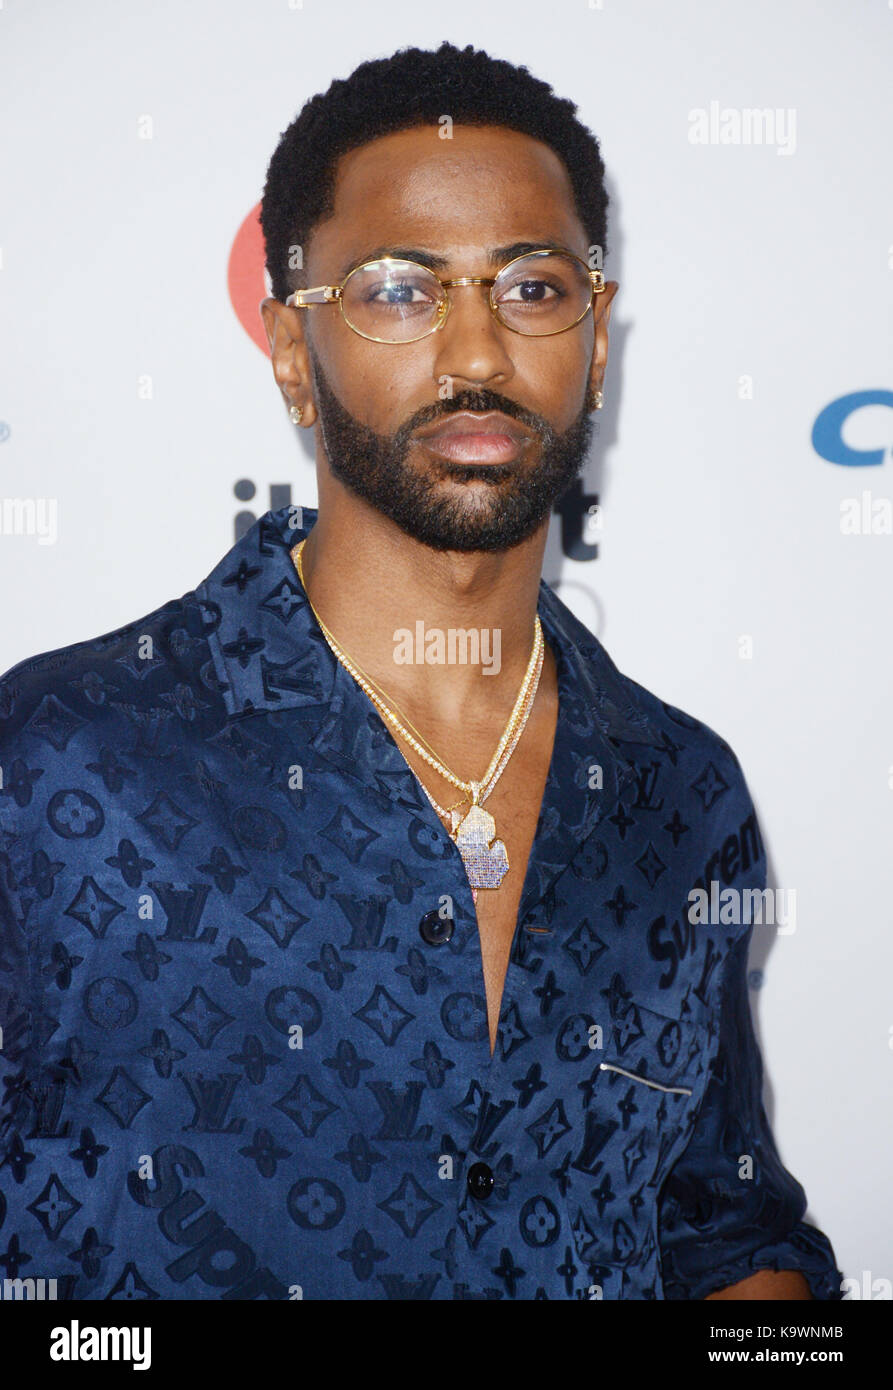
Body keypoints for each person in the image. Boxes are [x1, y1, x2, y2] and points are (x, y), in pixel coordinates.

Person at [0, 41, 841, 1301]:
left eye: (532, 288)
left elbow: (721, 1231)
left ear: (597, 340)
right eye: (397, 290)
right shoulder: (59, 758)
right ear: (291, 348)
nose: (477, 355)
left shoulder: (681, 792)